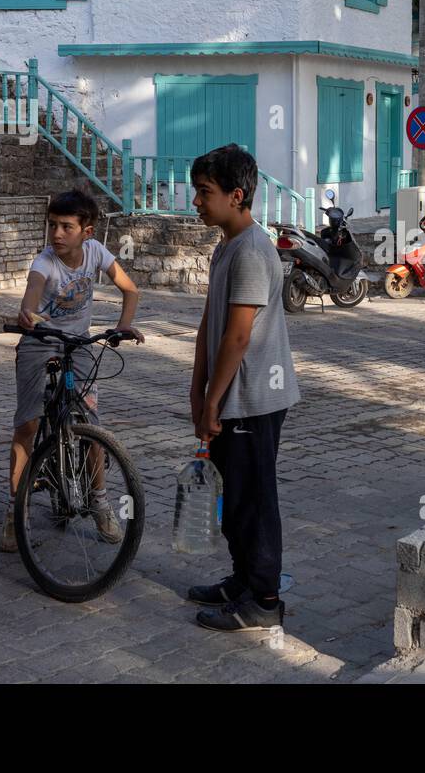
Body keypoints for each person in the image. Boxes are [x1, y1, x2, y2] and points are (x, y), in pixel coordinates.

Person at [186, 144, 300, 632]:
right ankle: (242, 581)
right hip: (231, 395)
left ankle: (266, 601)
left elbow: (237, 335)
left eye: (204, 192)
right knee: (233, 498)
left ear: (237, 196)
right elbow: (210, 321)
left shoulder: (252, 250)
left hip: (254, 398)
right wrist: (197, 387)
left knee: (253, 500)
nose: (196, 201)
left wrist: (212, 400)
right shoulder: (227, 245)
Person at [3, 189, 144, 552]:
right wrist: (27, 315)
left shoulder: (97, 253)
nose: (57, 234)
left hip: (78, 344)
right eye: (52, 225)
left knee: (91, 425)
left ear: (88, 232)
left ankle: (99, 500)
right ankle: (15, 513)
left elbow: (131, 290)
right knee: (29, 424)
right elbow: (31, 297)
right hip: (40, 341)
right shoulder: (44, 263)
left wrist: (123, 325)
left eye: (66, 226)